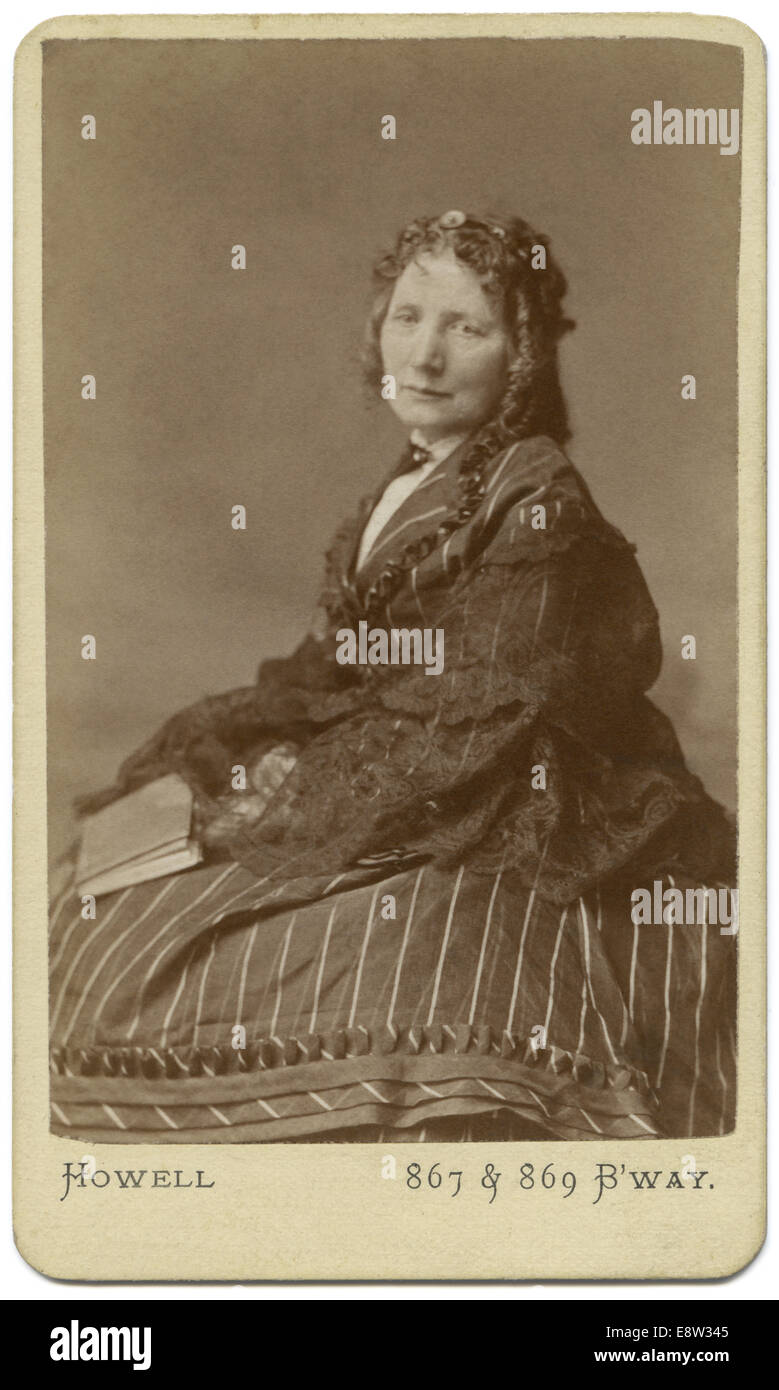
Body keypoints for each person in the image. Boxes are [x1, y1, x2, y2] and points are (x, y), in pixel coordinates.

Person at [49, 210, 737, 1144]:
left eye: (466, 327)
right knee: (114, 869)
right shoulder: (413, 481)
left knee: (376, 943)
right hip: (417, 750)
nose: (425, 356)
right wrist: (254, 748)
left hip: (507, 786)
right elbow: (342, 666)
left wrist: (302, 795)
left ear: (521, 354)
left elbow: (490, 703)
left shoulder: (537, 498)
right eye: (407, 316)